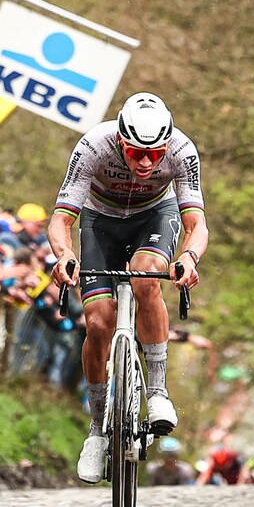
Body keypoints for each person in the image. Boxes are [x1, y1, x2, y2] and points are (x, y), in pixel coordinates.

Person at [49, 92, 208, 484]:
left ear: (167, 145)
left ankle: (156, 392)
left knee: (145, 274)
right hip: (100, 222)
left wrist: (189, 258)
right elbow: (61, 219)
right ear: (121, 139)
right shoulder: (93, 145)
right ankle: (98, 432)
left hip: (154, 216)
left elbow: (196, 223)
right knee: (98, 324)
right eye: (136, 152)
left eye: (154, 155)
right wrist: (64, 255)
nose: (144, 162)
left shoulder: (183, 151)